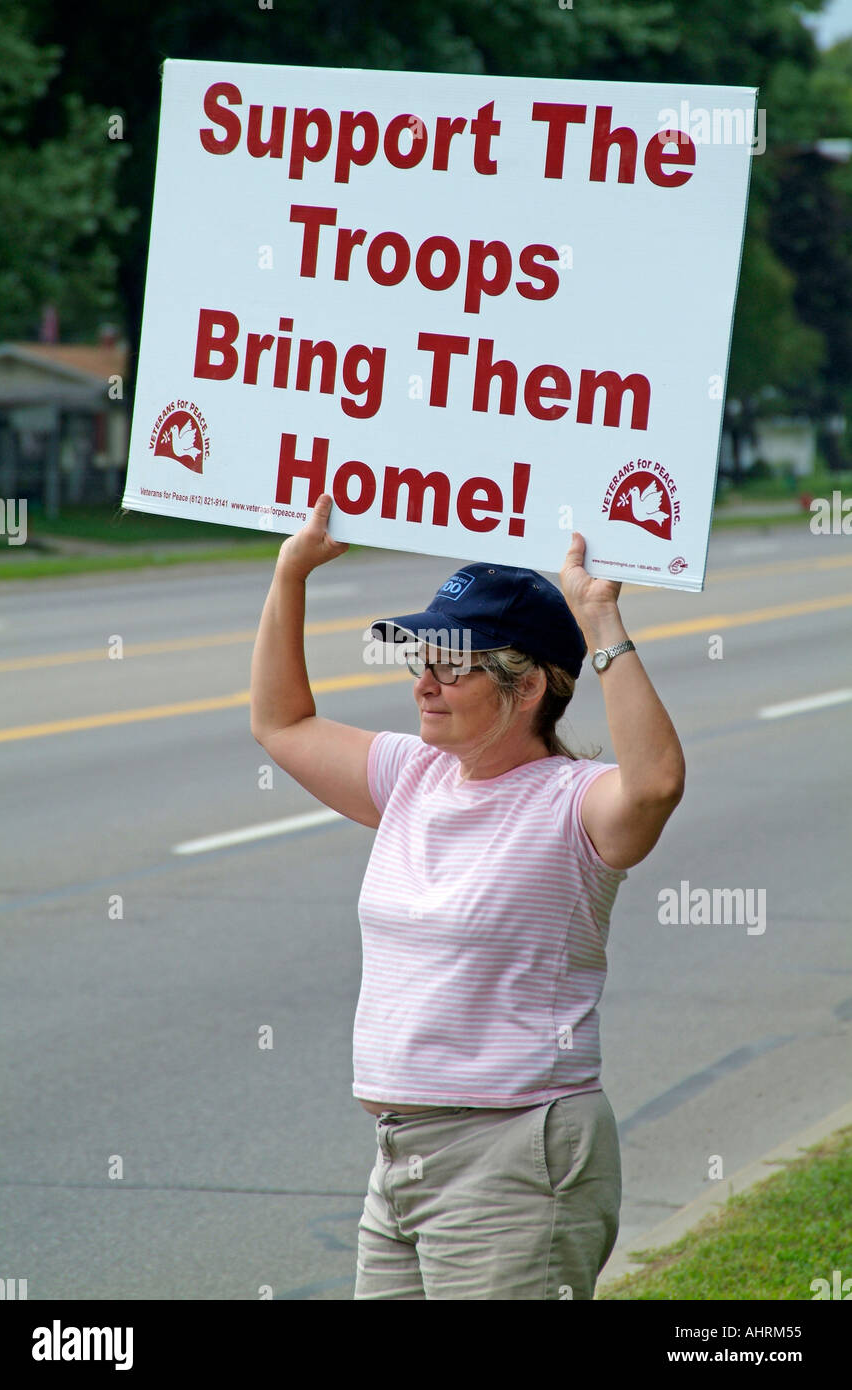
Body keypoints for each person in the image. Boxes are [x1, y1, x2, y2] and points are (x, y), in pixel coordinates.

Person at [250, 493, 686, 1300]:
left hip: (516, 1158)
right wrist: (291, 573)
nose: (424, 685)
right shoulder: (411, 776)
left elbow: (655, 784)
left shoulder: (573, 803)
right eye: (421, 661)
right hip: (399, 1156)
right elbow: (281, 724)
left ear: (527, 690)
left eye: (455, 665)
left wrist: (600, 622)